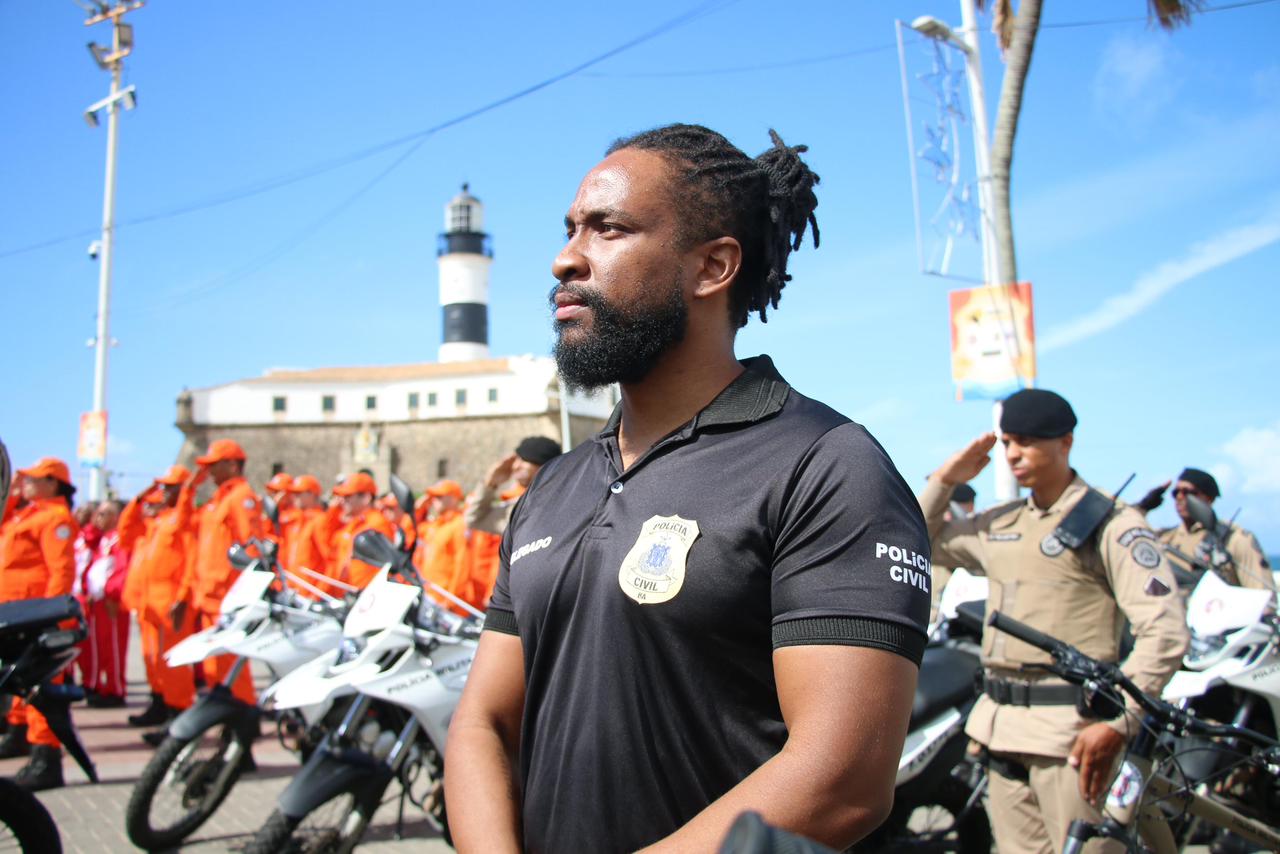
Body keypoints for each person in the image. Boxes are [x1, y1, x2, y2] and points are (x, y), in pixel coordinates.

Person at [446, 123, 929, 853]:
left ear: (712, 267)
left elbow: (844, 779)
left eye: (608, 228)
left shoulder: (825, 464)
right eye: (572, 228)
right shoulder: (552, 489)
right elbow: (483, 720)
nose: (565, 259)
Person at [918, 388, 1189, 854]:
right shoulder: (1000, 524)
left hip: (1074, 737)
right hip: (1000, 728)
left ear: (1065, 442)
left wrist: (1119, 724)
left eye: (1026, 441)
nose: (1012, 453)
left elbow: (1164, 633)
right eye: (1006, 442)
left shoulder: (1111, 525)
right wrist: (946, 479)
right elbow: (918, 537)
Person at [0, 458, 80, 790]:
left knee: (39, 688)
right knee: (19, 683)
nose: (27, 483)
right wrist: (15, 488)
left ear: (53, 483)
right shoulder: (26, 514)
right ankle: (20, 734)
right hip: (17, 613)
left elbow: (61, 570)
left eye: (34, 479)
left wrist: (50, 619)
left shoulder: (55, 519)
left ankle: (47, 757)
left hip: (36, 617)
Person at [172, 439, 263, 705]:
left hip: (227, 597)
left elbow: (251, 548)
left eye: (214, 466)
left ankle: (243, 726)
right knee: (214, 668)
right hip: (209, 596)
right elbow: (183, 525)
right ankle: (227, 722)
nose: (209, 471)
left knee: (230, 667)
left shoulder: (240, 497)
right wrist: (189, 490)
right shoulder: (217, 500)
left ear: (232, 465)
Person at [117, 465, 196, 734]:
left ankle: (179, 714)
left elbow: (191, 561)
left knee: (174, 662)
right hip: (151, 601)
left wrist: (183, 597)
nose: (163, 492)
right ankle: (161, 704)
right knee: (153, 658)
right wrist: (140, 499)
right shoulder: (160, 522)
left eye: (169, 487)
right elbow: (125, 532)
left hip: (170, 600)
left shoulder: (184, 521)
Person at [1136, 468, 1275, 594]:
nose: (1179, 497)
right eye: (1176, 492)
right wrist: (1142, 508)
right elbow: (1127, 538)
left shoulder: (1233, 539)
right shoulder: (1164, 538)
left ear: (1209, 498)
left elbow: (1262, 595)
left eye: (1188, 492)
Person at [76, 499, 130, 708]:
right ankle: (104, 687)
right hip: (97, 600)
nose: (98, 517)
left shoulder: (119, 539)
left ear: (116, 517)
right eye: (97, 513)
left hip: (110, 601)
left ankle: (116, 690)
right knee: (103, 646)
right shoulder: (104, 539)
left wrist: (112, 594)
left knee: (114, 647)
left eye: (104, 513)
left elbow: (121, 568)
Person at [463, 436, 561, 537]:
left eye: (524, 461)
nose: (515, 466)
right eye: (516, 460)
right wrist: (490, 483)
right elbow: (473, 519)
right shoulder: (517, 509)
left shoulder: (565, 500)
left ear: (545, 466)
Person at [329, 472, 396, 590]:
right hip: (351, 592)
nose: (342, 501)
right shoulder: (354, 523)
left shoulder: (377, 524)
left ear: (366, 498)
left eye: (348, 496)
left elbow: (387, 567)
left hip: (366, 594)